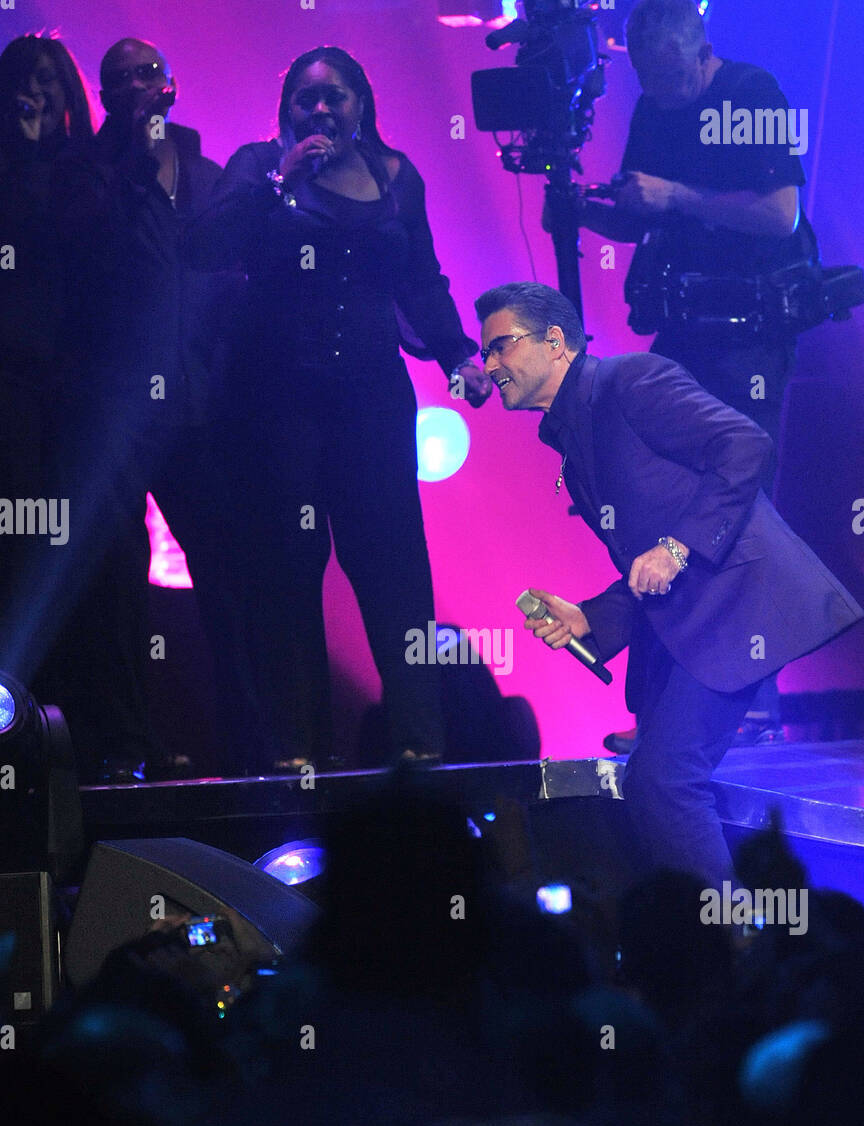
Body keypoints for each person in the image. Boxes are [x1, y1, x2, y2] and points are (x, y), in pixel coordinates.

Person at [475, 281, 864, 888]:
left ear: (555, 342)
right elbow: (645, 564)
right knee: (648, 786)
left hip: (737, 605)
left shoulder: (629, 381)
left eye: (500, 346)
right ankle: (692, 953)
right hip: (689, 622)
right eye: (484, 354)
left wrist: (678, 546)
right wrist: (590, 617)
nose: (489, 365)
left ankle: (733, 955)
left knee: (665, 783)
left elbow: (745, 444)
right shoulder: (573, 435)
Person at [187, 46, 491, 772]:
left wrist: (458, 357)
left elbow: (422, 281)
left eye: (336, 97)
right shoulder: (257, 165)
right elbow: (205, 246)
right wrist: (278, 180)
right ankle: (295, 750)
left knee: (392, 566)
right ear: (287, 110)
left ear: (362, 104)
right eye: (306, 99)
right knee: (287, 567)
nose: (321, 110)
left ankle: (421, 743)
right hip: (276, 397)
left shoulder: (396, 176)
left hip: (369, 398)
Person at [554, 0, 819, 743]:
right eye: (645, 75)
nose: (659, 88)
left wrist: (674, 195)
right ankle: (669, 709)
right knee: (663, 513)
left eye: (670, 74)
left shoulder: (752, 92)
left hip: (748, 337)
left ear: (701, 49)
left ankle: (740, 704)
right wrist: (589, 210)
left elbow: (779, 216)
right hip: (683, 333)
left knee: (734, 514)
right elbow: (648, 220)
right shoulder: (652, 106)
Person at [39, 38, 233, 781]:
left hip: (196, 404)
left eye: (147, 74)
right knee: (119, 583)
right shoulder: (85, 172)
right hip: (112, 405)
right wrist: (123, 153)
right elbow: (79, 245)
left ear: (172, 84)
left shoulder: (207, 175)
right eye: (117, 80)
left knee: (225, 569)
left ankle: (249, 740)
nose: (134, 87)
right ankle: (129, 747)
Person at [0, 35, 93, 702]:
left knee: (84, 550)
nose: (38, 90)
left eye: (49, 77)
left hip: (81, 379)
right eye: (25, 79)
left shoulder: (88, 167)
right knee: (23, 530)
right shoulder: (10, 168)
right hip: (17, 373)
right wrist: (23, 150)